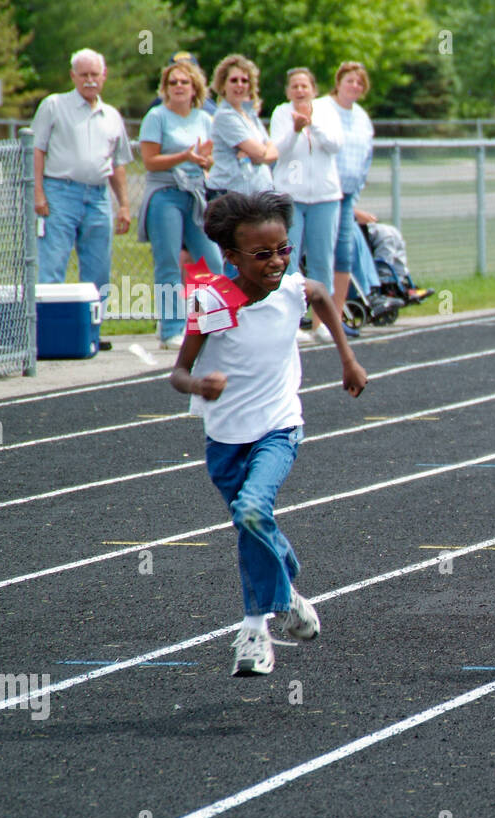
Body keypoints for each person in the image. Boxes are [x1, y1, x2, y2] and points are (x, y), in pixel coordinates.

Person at [169, 191, 367, 676]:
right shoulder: (213, 302)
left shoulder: (293, 289)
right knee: (254, 526)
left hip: (279, 428)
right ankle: (289, 592)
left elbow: (320, 294)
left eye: (283, 248)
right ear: (231, 257)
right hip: (224, 440)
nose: (277, 261)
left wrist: (347, 358)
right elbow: (177, 373)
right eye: (263, 254)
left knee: (253, 511)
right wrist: (199, 384)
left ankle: (255, 630)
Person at [31, 48, 132, 296]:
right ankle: (49, 332)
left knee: (98, 271)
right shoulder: (54, 105)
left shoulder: (112, 115)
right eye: (83, 74)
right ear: (73, 76)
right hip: (59, 193)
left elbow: (117, 163)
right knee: (52, 267)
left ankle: (91, 333)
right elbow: (36, 150)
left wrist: (124, 205)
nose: (90, 80)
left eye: (95, 74)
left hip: (98, 197)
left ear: (104, 76)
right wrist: (38, 193)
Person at [138, 59, 224, 348]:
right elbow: (150, 161)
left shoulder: (204, 119)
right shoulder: (156, 117)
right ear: (165, 88)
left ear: (194, 87)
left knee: (210, 259)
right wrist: (184, 156)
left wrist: (203, 160)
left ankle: (203, 322)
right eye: (172, 82)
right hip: (165, 194)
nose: (178, 87)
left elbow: (209, 158)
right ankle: (171, 329)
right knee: (169, 263)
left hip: (195, 194)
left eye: (183, 82)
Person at [271, 68, 345, 343]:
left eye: (304, 86)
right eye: (294, 86)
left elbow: (336, 144)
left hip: (325, 197)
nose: (299, 90)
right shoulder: (281, 113)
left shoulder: (327, 111)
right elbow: (278, 149)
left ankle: (321, 323)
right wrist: (295, 130)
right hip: (291, 196)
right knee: (288, 258)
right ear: (288, 91)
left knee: (322, 260)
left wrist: (312, 124)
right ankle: (291, 322)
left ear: (313, 89)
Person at [326, 61, 376, 316]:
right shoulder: (325, 108)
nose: (354, 86)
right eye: (350, 80)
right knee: (319, 256)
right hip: (322, 194)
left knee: (343, 255)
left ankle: (336, 317)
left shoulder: (362, 117)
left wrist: (356, 190)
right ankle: (313, 317)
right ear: (338, 83)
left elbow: (366, 155)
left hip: (347, 195)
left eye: (359, 82)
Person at [208, 54, 277, 199]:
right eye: (234, 80)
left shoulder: (250, 115)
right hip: (229, 194)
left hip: (257, 193)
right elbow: (259, 151)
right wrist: (260, 153)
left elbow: (274, 152)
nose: (240, 85)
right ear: (223, 85)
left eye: (244, 81)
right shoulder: (225, 116)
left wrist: (257, 156)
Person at [146, 52, 217, 116]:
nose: (179, 85)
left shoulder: (209, 111)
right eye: (173, 82)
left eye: (185, 82)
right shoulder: (156, 111)